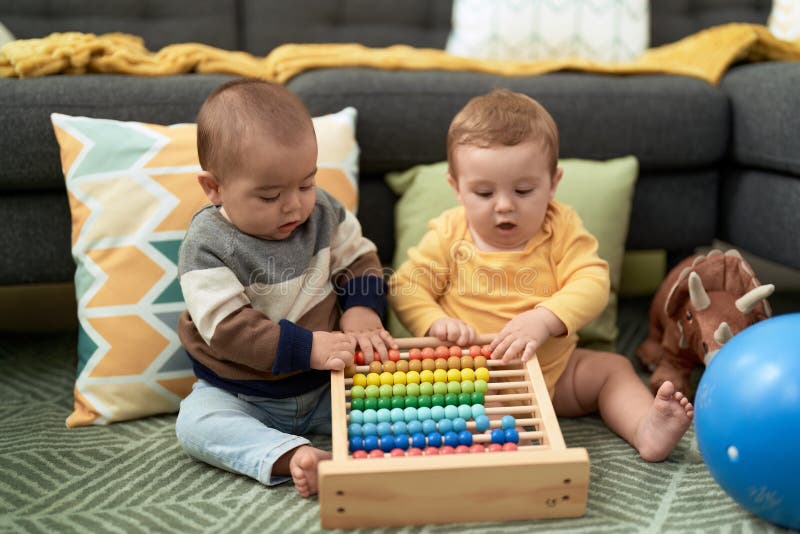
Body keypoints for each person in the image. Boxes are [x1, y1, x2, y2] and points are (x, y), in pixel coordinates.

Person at [388, 89, 693, 462]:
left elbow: (591, 280)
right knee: (455, 404)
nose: (504, 205)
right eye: (483, 192)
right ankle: (509, 441)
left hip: (555, 370)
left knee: (612, 369)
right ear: (456, 188)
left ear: (552, 183)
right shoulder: (451, 233)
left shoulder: (560, 226)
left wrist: (544, 319)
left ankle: (646, 426)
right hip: (474, 374)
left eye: (524, 190)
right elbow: (406, 285)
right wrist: (434, 321)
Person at [175, 78, 395, 497]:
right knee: (196, 424)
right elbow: (229, 329)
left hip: (329, 383)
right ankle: (290, 455)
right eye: (270, 195)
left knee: (399, 398)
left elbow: (359, 259)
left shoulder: (323, 212)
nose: (295, 205)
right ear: (214, 188)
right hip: (242, 392)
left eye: (306, 184)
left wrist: (361, 310)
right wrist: (309, 348)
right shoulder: (206, 246)